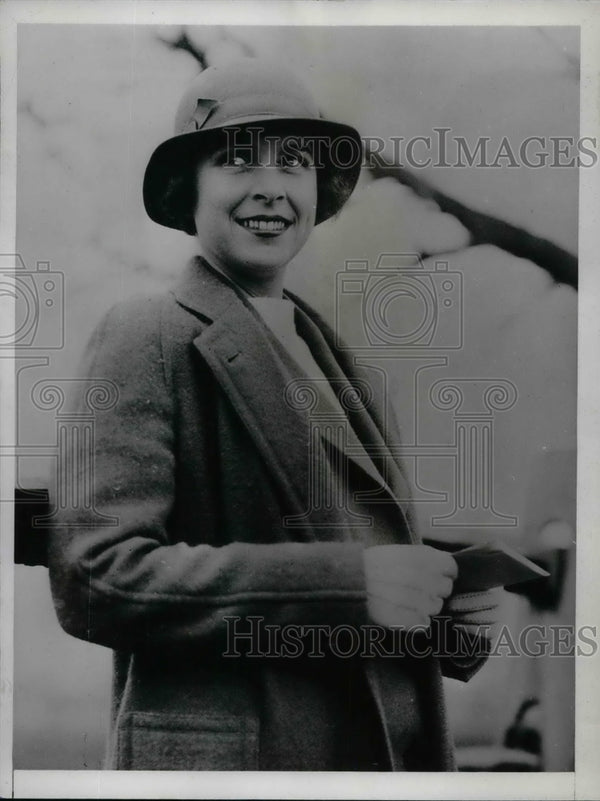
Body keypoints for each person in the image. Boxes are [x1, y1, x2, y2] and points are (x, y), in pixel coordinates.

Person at [49, 57, 499, 772]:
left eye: (294, 162)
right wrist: (349, 584)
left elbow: (360, 575)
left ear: (318, 191)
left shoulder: (345, 366)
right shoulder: (147, 335)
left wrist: (446, 618)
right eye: (236, 160)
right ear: (186, 187)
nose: (270, 186)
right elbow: (96, 578)